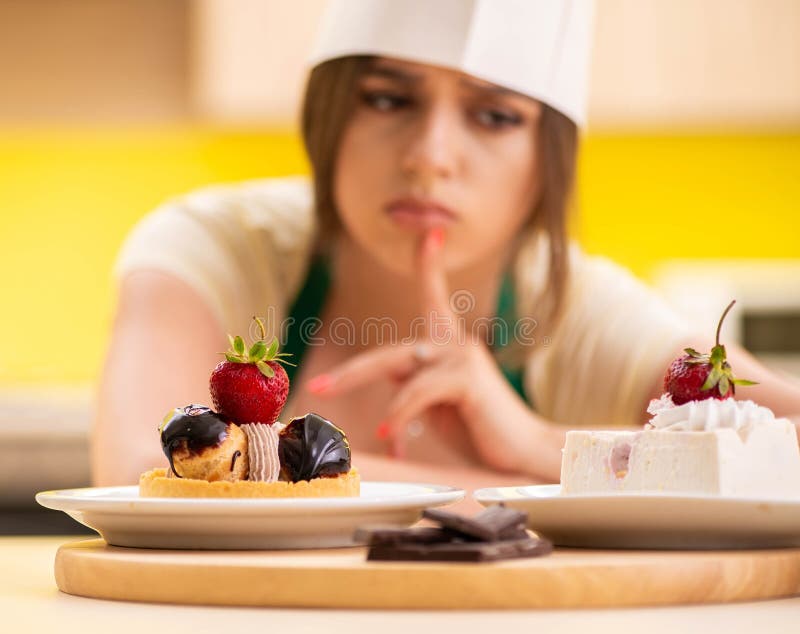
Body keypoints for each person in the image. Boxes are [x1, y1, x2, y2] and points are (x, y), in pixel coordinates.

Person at [91, 0, 800, 489]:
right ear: (330, 117)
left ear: (545, 163)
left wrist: (537, 444)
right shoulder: (215, 249)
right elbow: (136, 474)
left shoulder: (576, 312)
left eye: (493, 115)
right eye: (387, 99)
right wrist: (520, 490)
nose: (430, 155)